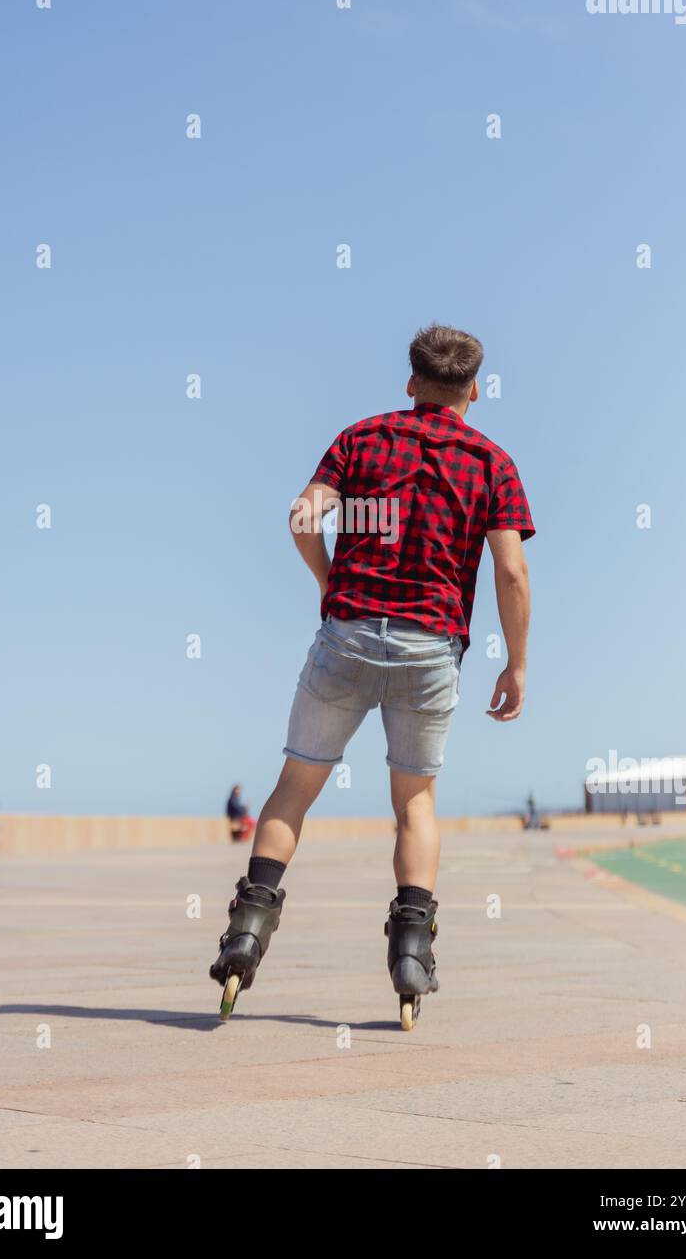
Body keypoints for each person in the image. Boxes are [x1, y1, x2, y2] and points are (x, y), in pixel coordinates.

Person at [210, 323, 534, 1026]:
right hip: (429, 650)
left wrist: (331, 587)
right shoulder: (492, 463)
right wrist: (515, 662)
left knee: (294, 788)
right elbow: (510, 570)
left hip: (347, 637)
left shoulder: (360, 440)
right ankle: (412, 952)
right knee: (415, 803)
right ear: (474, 391)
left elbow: (303, 514)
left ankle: (245, 934)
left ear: (411, 382)